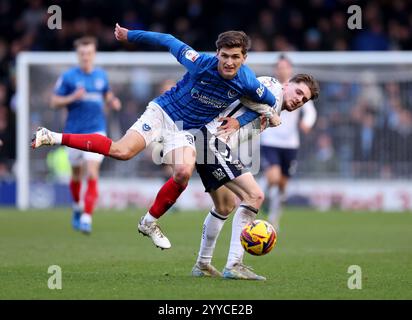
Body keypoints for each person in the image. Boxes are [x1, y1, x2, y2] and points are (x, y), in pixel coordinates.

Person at [32, 24, 280, 248]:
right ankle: (52, 136)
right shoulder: (199, 62)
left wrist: (243, 119)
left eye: (235, 57)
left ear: (244, 58)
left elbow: (266, 105)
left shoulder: (249, 82)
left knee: (183, 173)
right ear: (217, 54)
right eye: (224, 56)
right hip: (163, 112)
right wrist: (130, 35)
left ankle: (148, 222)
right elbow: (168, 39)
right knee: (122, 152)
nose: (228, 62)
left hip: (186, 130)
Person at [192, 74, 319, 280]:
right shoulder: (272, 87)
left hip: (208, 143)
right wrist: (262, 114)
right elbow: (244, 90)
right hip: (211, 142)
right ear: (287, 84)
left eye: (304, 100)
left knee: (224, 206)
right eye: (298, 92)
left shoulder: (277, 108)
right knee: (255, 195)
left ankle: (203, 264)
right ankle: (234, 264)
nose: (299, 100)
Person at [50, 36, 121, 234]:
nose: (85, 57)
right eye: (82, 54)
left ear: (94, 54)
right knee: (76, 175)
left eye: (89, 53)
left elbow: (106, 93)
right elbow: (54, 102)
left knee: (92, 172)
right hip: (73, 133)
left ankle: (87, 217)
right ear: (77, 55)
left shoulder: (101, 76)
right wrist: (72, 97)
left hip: (96, 131)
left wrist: (112, 101)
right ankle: (77, 206)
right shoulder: (68, 77)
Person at [260, 55, 317, 231]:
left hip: (291, 144)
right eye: (280, 67)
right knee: (273, 177)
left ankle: (274, 217)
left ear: (290, 70)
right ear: (276, 69)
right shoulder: (272, 87)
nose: (283, 70)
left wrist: (307, 123)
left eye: (286, 67)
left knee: (283, 184)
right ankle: (262, 194)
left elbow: (310, 111)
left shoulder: (300, 91)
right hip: (270, 140)